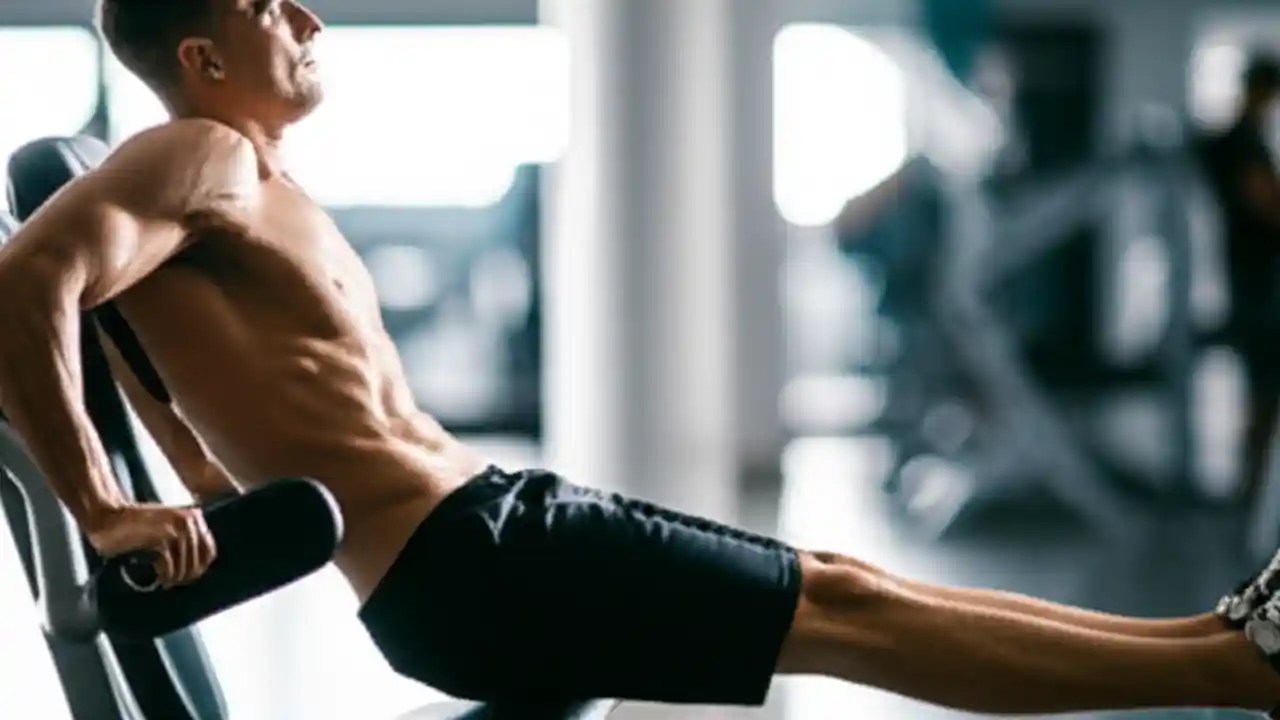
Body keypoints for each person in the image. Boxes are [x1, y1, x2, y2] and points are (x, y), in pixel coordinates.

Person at [3, 0, 1280, 714]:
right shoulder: (198, 156)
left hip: (485, 531)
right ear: (202, 56)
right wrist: (103, 505)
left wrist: (184, 473)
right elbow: (20, 288)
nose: (307, 14)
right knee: (847, 613)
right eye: (268, 2)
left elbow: (158, 356)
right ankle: (1232, 671)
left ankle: (1209, 641)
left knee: (840, 584)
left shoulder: (242, 188)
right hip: (469, 567)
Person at [1200, 54, 1280, 510]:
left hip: (1252, 277)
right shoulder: (1239, 144)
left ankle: (1252, 488)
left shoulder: (1243, 142)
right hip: (1253, 282)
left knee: (1262, 384)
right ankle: (1252, 490)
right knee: (1263, 384)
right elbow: (1265, 204)